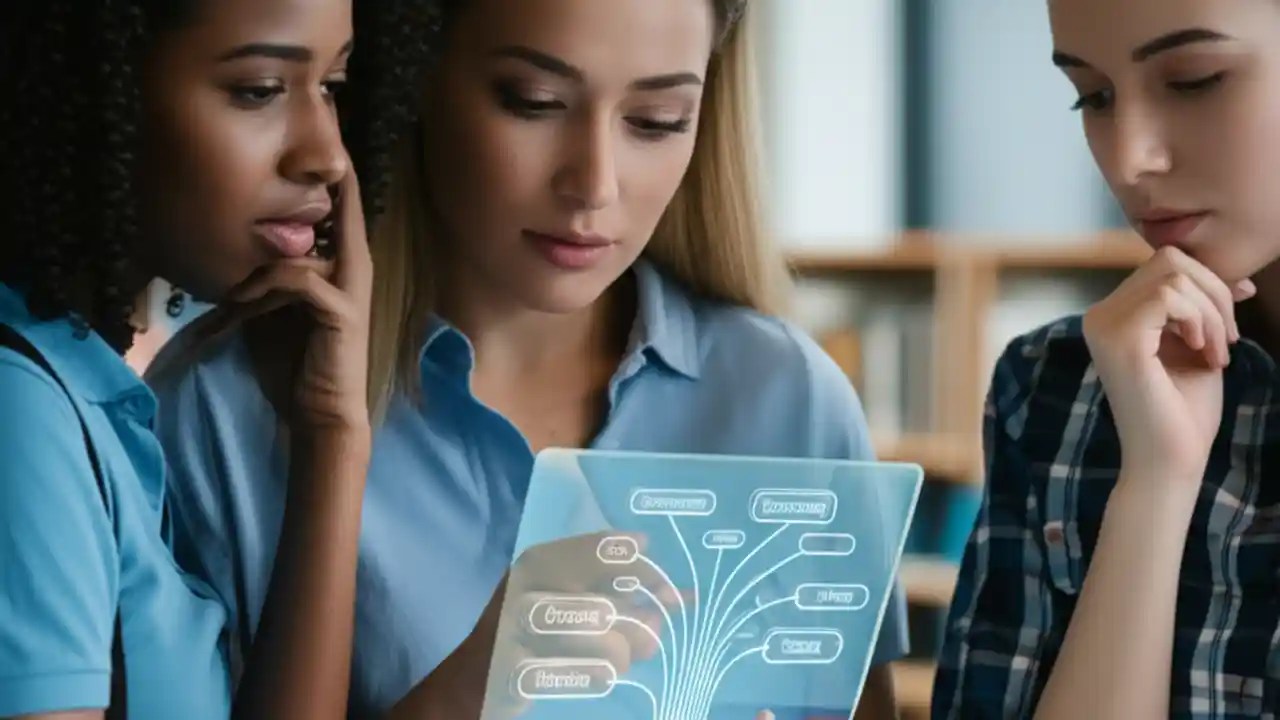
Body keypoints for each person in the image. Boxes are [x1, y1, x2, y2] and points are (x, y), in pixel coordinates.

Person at [147, 0, 909, 717]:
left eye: (656, 120)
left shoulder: (792, 399)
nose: (595, 185)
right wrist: (462, 696)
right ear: (414, 81)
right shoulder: (220, 410)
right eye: (534, 101)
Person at [0, 1, 431, 717]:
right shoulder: (22, 416)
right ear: (94, 91)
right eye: (259, 90)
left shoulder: (84, 392)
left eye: (333, 86)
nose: (327, 155)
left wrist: (334, 431)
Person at [932, 1, 1280, 718]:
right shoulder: (1053, 384)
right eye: (1093, 96)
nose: (1128, 160)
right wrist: (1154, 486)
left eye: (1195, 79)